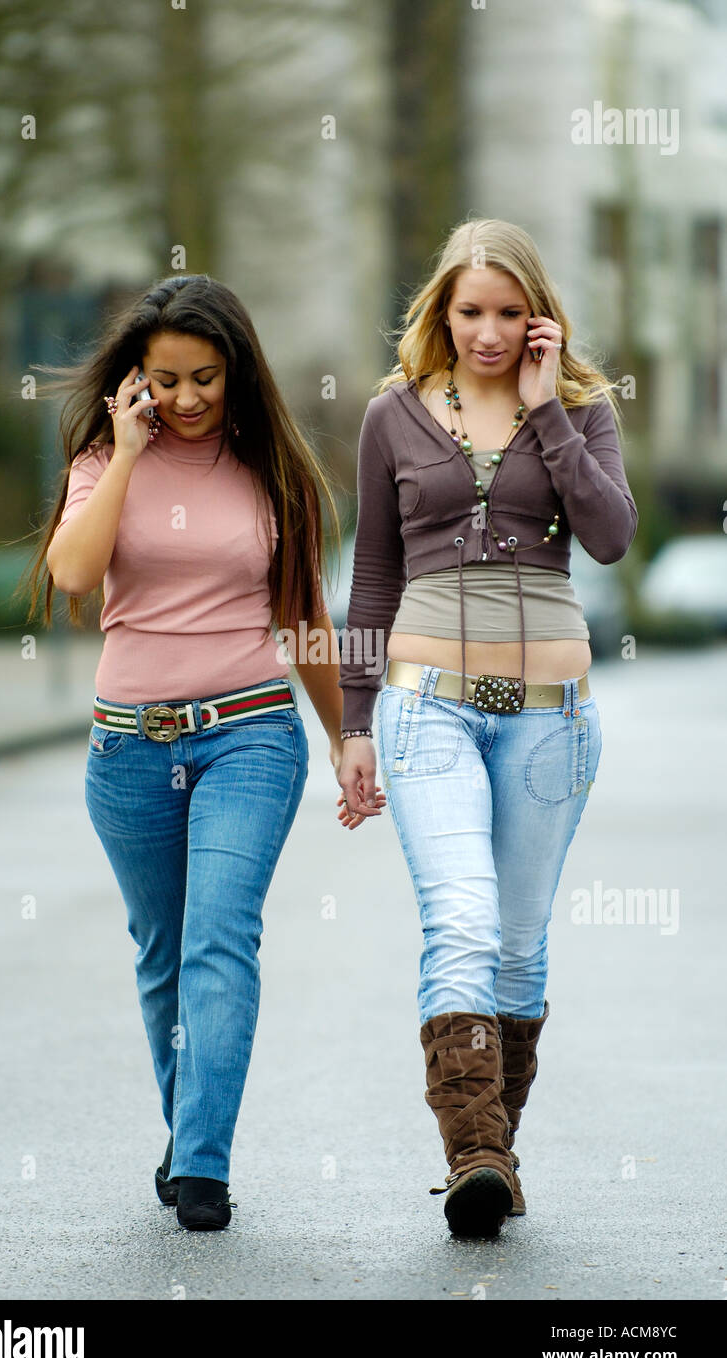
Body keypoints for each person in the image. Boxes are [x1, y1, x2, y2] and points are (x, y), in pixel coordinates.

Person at [21, 274, 383, 1231]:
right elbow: (73, 572)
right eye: (165, 380)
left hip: (250, 733)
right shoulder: (106, 462)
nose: (185, 399)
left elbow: (304, 616)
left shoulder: (273, 472)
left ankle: (203, 1167)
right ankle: (190, 1133)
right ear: (133, 381)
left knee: (220, 936)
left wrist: (349, 733)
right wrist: (130, 457)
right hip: (130, 748)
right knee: (163, 952)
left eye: (206, 379)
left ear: (238, 374)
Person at [335, 218, 638, 1238]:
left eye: (510, 313)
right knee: (459, 922)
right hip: (428, 708)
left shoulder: (581, 410)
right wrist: (354, 722)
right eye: (471, 311)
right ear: (441, 311)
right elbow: (373, 572)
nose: (490, 332)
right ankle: (472, 1150)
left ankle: (495, 1152)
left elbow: (606, 535)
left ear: (538, 316)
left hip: (551, 718)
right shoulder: (390, 415)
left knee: (516, 945)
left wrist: (549, 414)